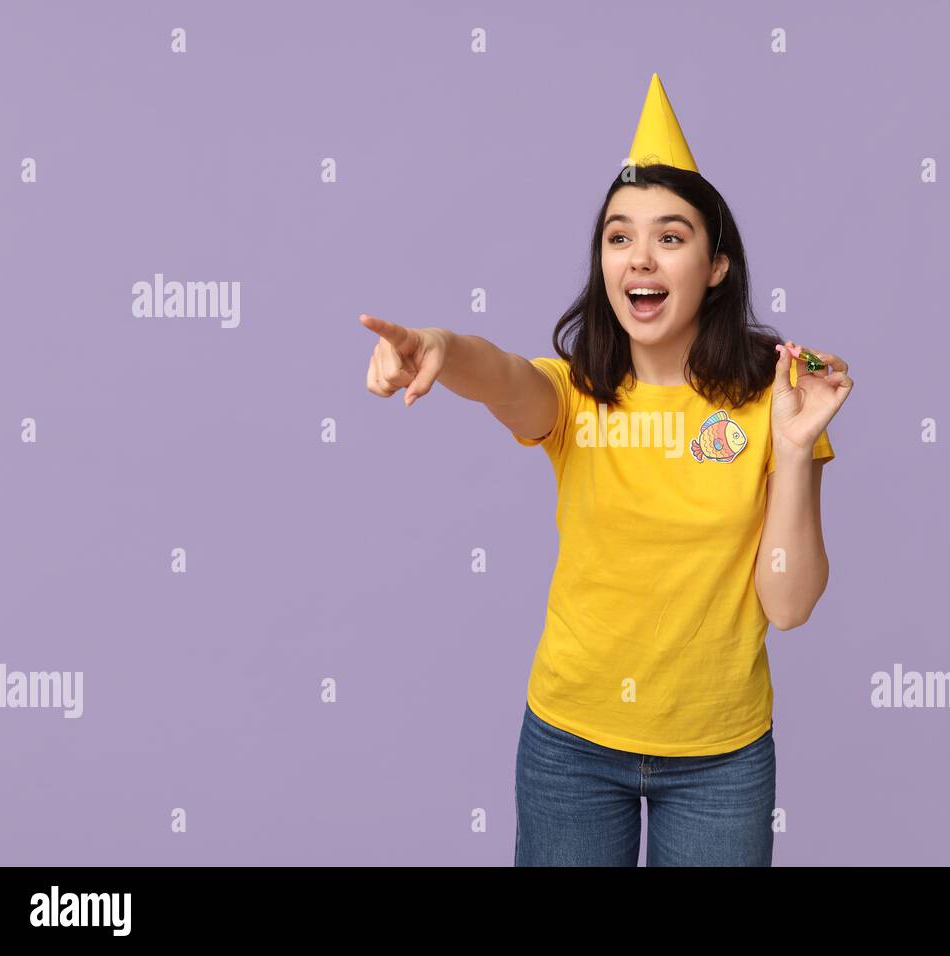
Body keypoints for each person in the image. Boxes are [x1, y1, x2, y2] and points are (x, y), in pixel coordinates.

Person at [359, 74, 853, 866]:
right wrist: (442, 348)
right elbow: (501, 375)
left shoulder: (775, 404)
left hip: (720, 755)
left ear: (716, 265)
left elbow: (788, 606)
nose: (639, 257)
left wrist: (793, 450)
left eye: (671, 235)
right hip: (571, 746)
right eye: (619, 236)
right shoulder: (572, 395)